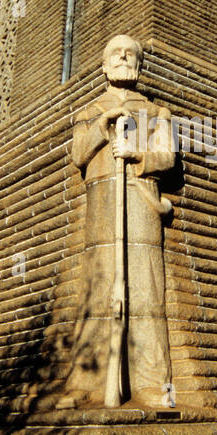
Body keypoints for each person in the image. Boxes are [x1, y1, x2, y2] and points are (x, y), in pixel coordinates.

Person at [61, 35, 176, 408]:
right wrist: (102, 125)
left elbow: (168, 157)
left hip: (142, 205)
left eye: (131, 55)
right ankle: (85, 381)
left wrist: (136, 151)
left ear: (139, 66)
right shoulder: (89, 110)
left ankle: (154, 386)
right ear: (105, 65)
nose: (124, 58)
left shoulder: (157, 112)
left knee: (145, 290)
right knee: (97, 287)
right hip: (101, 205)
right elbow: (78, 154)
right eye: (117, 54)